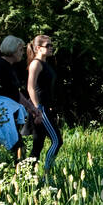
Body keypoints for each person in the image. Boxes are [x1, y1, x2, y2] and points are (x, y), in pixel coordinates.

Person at [0, 35, 42, 161]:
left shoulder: (10, 67)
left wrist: (32, 109)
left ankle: (16, 174)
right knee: (7, 148)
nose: (22, 53)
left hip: (6, 113)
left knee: (10, 148)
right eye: (20, 50)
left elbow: (15, 94)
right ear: (12, 50)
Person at [25, 34, 63, 173]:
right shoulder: (36, 63)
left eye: (52, 45)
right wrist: (37, 110)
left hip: (46, 107)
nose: (51, 47)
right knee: (57, 141)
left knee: (38, 144)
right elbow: (30, 87)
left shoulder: (45, 64)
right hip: (40, 109)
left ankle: (28, 176)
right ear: (38, 48)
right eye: (48, 45)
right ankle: (46, 174)